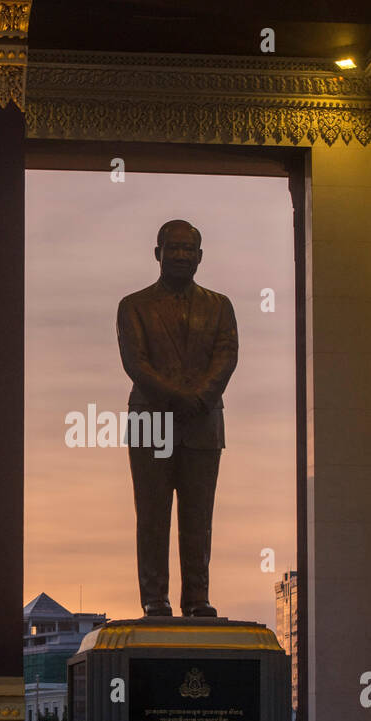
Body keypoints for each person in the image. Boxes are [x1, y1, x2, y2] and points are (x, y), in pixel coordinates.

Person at [116, 219, 239, 617]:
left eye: (189, 249)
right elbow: (136, 362)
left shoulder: (220, 306)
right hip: (151, 421)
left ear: (200, 257)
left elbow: (226, 355)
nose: (182, 255)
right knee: (152, 517)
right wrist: (179, 398)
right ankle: (155, 599)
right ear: (158, 253)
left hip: (203, 424)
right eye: (174, 248)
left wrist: (201, 396)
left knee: (199, 519)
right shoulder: (133, 305)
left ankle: (197, 599)